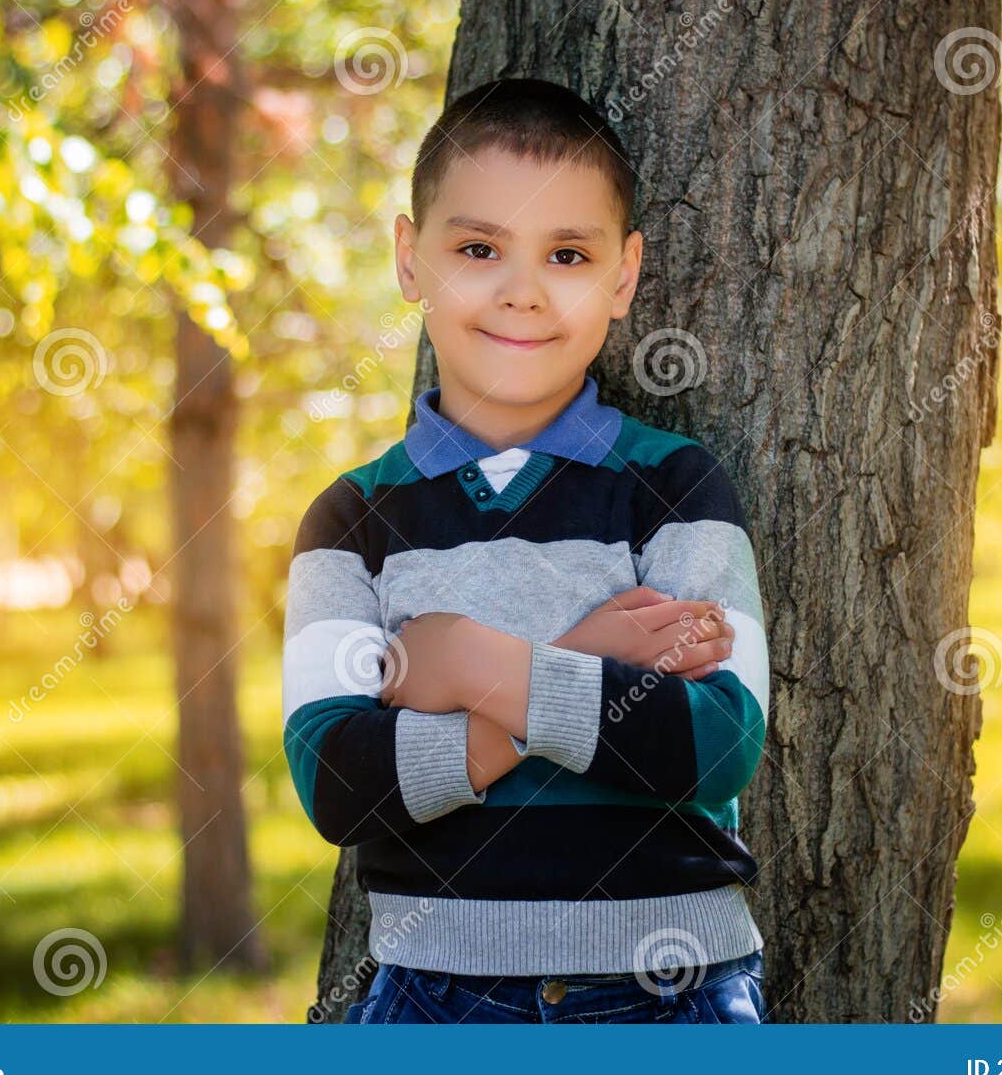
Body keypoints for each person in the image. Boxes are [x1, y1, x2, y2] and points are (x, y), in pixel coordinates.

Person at [282, 77, 770, 1023]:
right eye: (477, 248)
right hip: (432, 999)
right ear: (409, 259)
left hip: (673, 993)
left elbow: (715, 745)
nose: (522, 290)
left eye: (568, 254)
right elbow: (341, 781)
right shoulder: (351, 520)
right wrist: (590, 658)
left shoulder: (674, 490)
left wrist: (468, 664)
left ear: (623, 277)